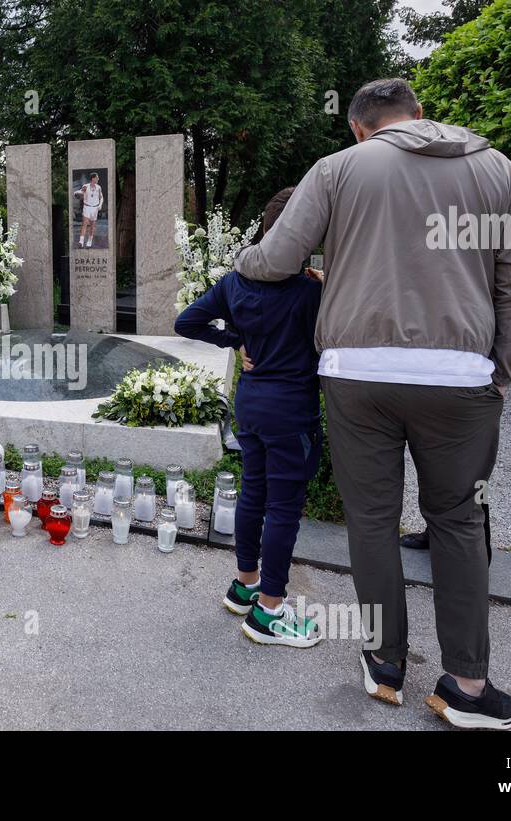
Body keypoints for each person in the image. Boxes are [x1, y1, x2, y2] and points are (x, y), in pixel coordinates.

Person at [233, 78, 511, 729]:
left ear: (358, 127)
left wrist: (242, 259)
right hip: (460, 376)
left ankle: (384, 663)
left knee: (370, 521)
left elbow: (278, 259)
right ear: (420, 117)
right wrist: (501, 368)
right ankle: (466, 686)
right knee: (459, 521)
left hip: (357, 372)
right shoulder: (494, 168)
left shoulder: (338, 170)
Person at [175, 188, 324, 648]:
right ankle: (270, 612)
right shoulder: (308, 292)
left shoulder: (234, 282)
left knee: (253, 494)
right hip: (290, 410)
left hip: (252, 405)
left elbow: (187, 322)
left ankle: (246, 585)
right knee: (283, 508)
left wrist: (234, 339)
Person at [73, 172, 104, 248]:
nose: (98, 179)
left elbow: (101, 197)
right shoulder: (85, 186)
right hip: (87, 207)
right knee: (85, 223)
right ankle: (81, 241)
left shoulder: (98, 187)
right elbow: (81, 191)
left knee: (92, 225)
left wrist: (100, 205)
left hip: (95, 208)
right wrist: (76, 192)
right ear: (93, 178)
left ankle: (89, 241)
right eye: (97, 177)